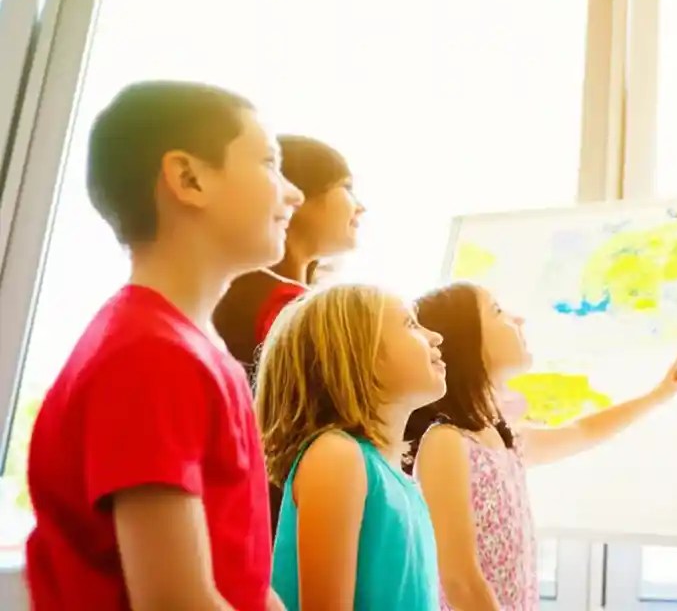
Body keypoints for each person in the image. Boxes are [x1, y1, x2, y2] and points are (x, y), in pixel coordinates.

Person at [25, 81, 302, 610]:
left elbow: (236, 580)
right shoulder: (149, 356)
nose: (294, 193)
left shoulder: (192, 348)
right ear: (188, 178)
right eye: (270, 163)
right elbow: (178, 602)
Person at [404, 282, 677, 610]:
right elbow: (458, 580)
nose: (520, 319)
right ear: (466, 341)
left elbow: (583, 430)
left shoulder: (504, 438)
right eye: (497, 311)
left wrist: (658, 395)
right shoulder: (445, 442)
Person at [256, 284, 447, 610]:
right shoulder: (336, 456)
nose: (436, 337)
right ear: (358, 355)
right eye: (410, 324)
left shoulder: (397, 478)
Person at [214, 134, 363, 386]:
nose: (360, 206)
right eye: (346, 187)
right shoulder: (271, 301)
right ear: (294, 194)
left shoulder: (241, 288)